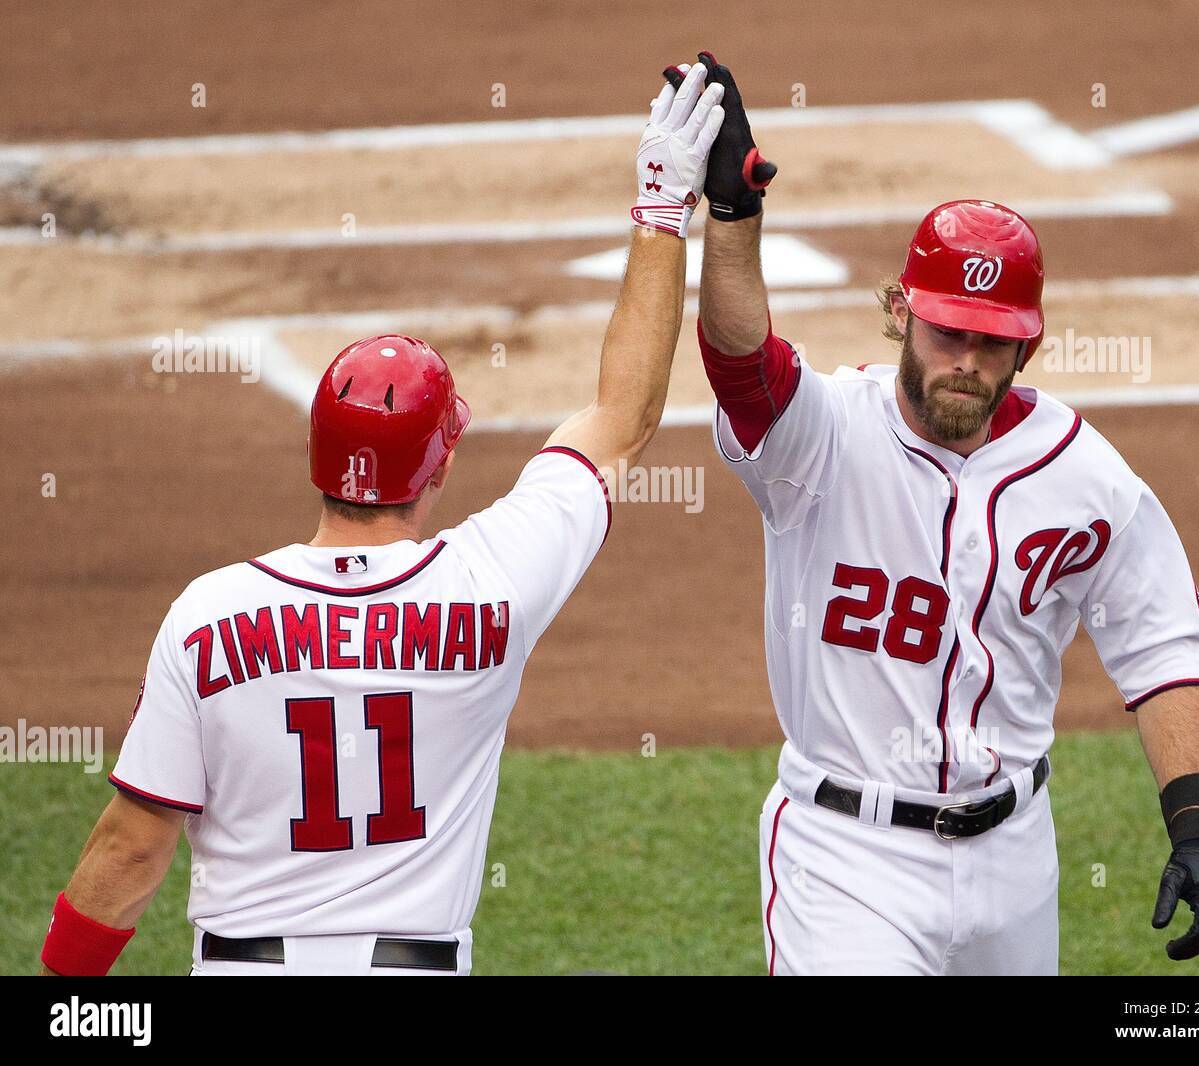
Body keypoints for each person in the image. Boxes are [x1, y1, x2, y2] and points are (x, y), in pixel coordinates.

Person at [39, 64, 724, 977]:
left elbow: (131, 850)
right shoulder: (493, 586)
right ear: (438, 466)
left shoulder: (208, 615)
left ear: (316, 453)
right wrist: (660, 210)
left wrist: (61, 995)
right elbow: (622, 420)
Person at [671, 52, 1199, 975]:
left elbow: (1163, 641)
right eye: (947, 332)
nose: (966, 359)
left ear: (1030, 343)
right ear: (901, 312)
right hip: (849, 857)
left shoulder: (1084, 474)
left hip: (1016, 860)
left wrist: (1198, 823)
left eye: (992, 340)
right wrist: (734, 219)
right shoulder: (821, 436)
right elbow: (741, 364)